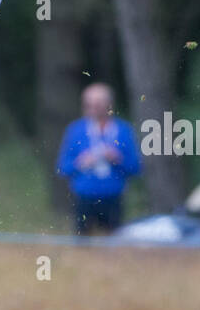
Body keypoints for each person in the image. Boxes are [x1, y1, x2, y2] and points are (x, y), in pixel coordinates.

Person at [55, 83, 142, 234]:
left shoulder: (123, 130)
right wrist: (81, 163)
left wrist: (117, 159)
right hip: (84, 197)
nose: (92, 109)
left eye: (97, 104)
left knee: (114, 244)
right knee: (82, 244)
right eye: (88, 104)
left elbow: (136, 168)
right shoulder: (76, 130)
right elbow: (63, 168)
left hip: (114, 197)